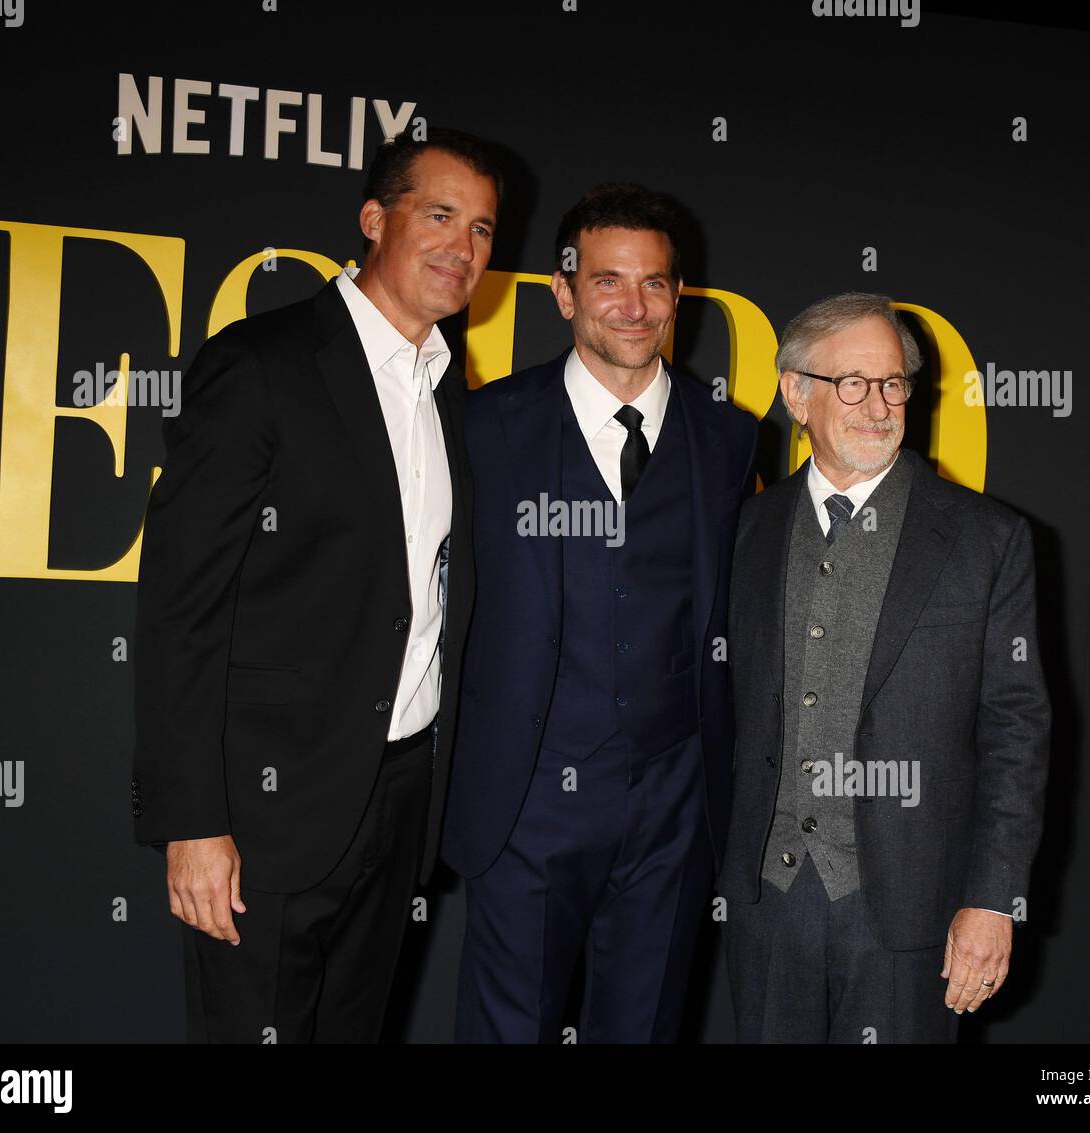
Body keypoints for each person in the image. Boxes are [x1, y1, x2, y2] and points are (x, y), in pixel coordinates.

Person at [130, 128, 501, 1042]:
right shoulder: (261, 364)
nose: (464, 247)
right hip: (263, 812)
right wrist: (193, 821)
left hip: (400, 796)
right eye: (441, 214)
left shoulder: (451, 386)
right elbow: (181, 608)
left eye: (486, 229)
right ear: (375, 218)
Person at [444, 183, 758, 1042]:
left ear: (678, 297)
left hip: (674, 802)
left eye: (654, 283)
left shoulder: (730, 437)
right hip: (528, 796)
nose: (633, 304)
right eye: (609, 280)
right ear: (564, 291)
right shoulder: (484, 425)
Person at [720, 292, 1050, 1042]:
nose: (879, 404)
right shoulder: (745, 530)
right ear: (796, 393)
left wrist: (993, 899)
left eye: (894, 382)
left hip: (912, 909)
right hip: (767, 901)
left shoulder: (986, 539)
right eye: (854, 383)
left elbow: (1016, 732)